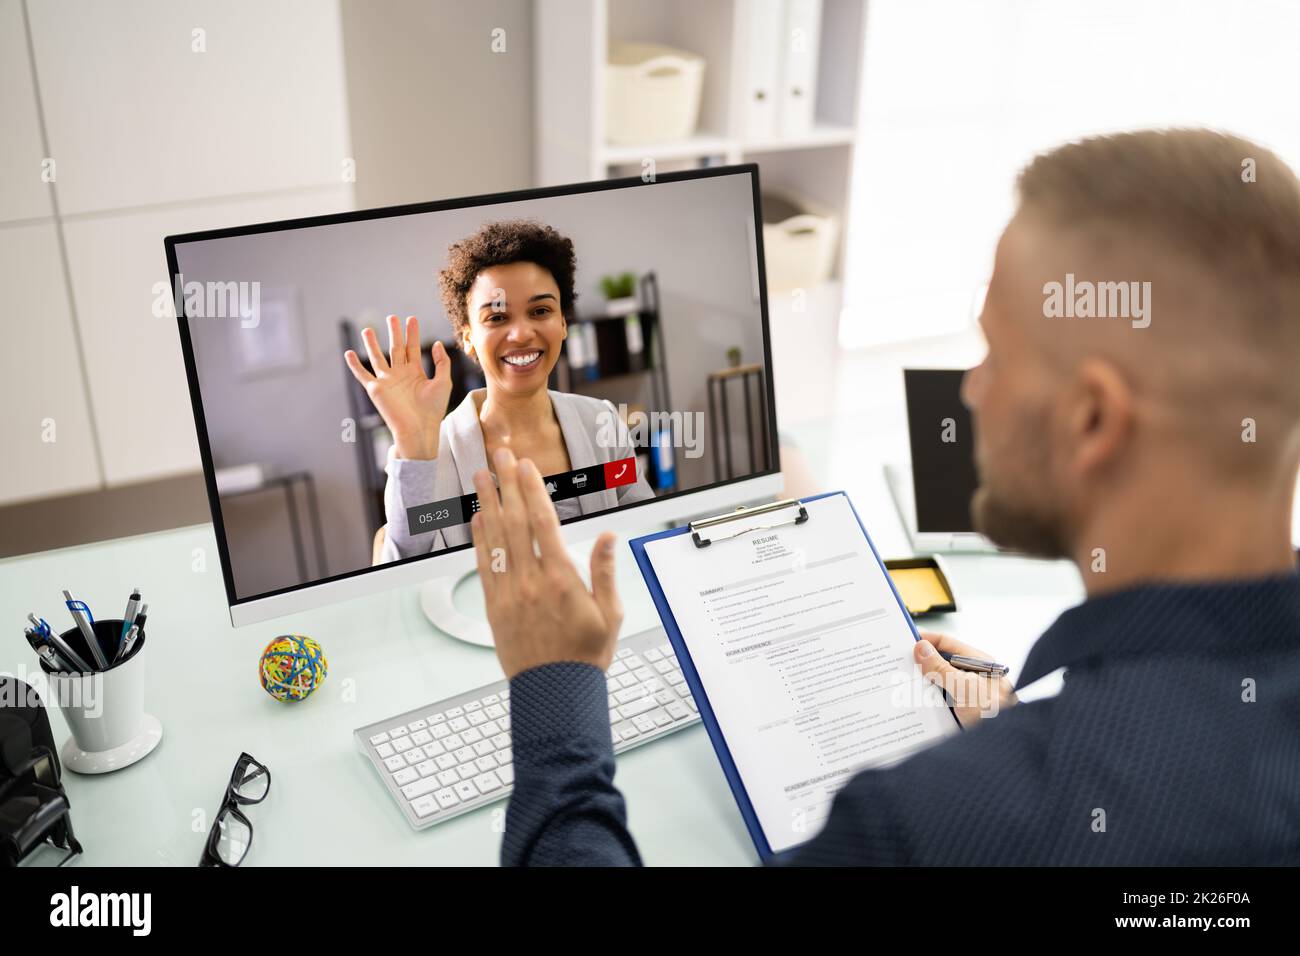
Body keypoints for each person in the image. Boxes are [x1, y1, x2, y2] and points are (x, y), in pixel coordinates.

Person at [470, 128, 1300, 865]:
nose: (971, 390)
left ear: (1092, 419)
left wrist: (555, 685)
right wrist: (1016, 730)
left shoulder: (930, 824)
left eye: (996, 355)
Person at [343, 219, 653, 560]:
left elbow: (645, 533)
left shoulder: (600, 422)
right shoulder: (432, 456)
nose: (521, 333)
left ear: (563, 323)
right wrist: (414, 446)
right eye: (497, 318)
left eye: (540, 311)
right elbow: (403, 571)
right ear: (467, 339)